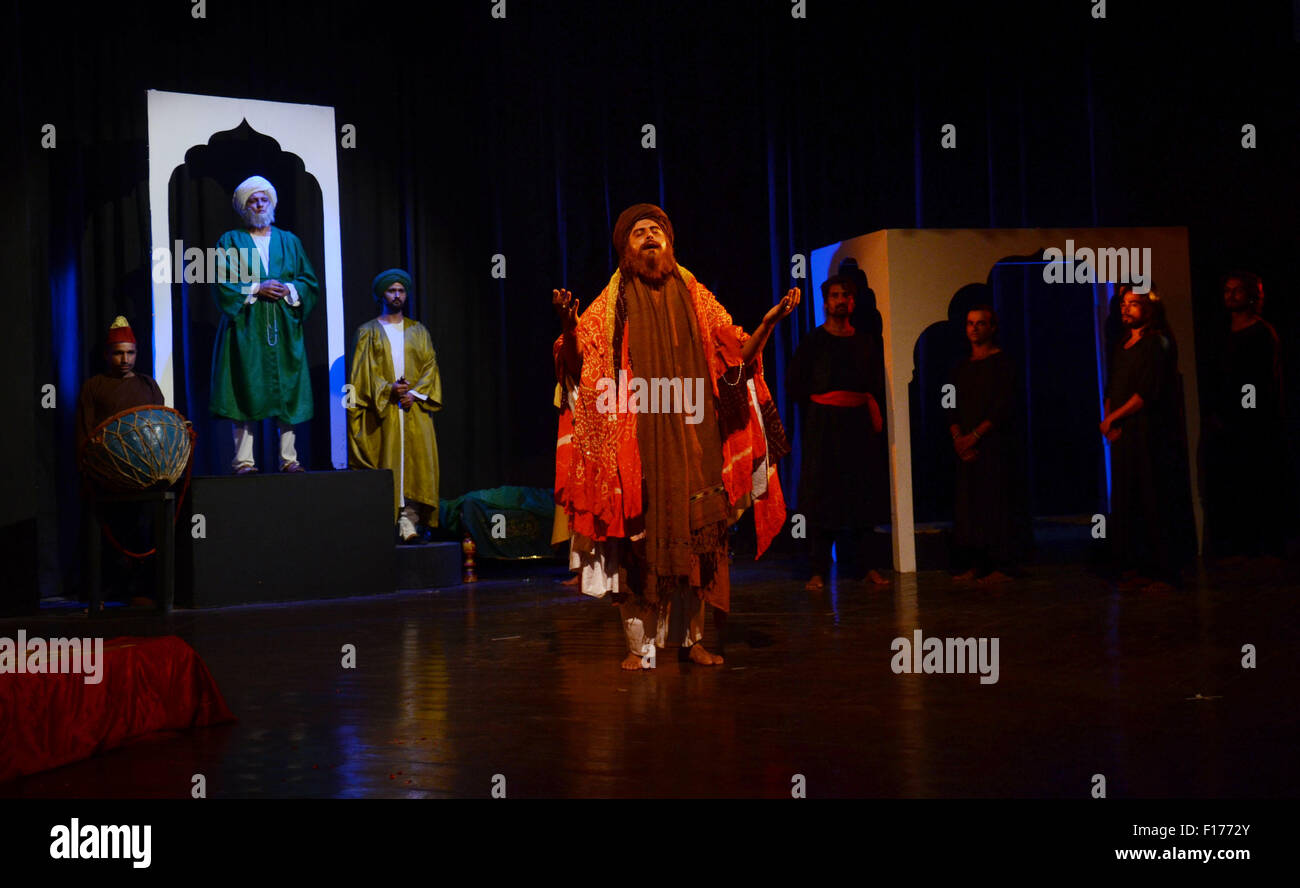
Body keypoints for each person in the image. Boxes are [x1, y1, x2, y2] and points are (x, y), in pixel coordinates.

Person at [553, 203, 795, 670]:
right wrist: (567, 323)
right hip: (636, 439)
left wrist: (768, 324)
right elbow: (579, 365)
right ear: (625, 247)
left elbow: (734, 353)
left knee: (700, 538)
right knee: (637, 541)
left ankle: (695, 640)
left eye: (656, 230)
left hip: (694, 438)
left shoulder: (695, 293)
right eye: (639, 232)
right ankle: (639, 646)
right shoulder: (611, 301)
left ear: (669, 242)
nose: (649, 236)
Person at [210, 175, 319, 474]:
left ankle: (289, 459)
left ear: (271, 203)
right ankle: (244, 461)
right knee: (245, 389)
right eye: (253, 200)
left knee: (287, 390)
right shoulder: (230, 241)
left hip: (283, 328)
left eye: (263, 199)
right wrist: (257, 287)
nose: (259, 204)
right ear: (244, 207)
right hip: (247, 328)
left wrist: (289, 289)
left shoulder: (289, 240)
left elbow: (308, 280)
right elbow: (221, 281)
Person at [788, 274, 889, 590]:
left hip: (857, 425)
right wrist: (820, 412)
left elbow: (874, 384)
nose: (840, 300)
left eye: (846, 295)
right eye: (834, 295)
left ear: (853, 301)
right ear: (826, 301)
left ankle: (868, 567)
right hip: (824, 425)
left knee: (862, 494)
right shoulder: (814, 341)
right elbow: (796, 384)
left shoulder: (864, 342)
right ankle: (817, 570)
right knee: (822, 496)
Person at [1099, 285, 1196, 591]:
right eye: (1124, 303)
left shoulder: (1157, 344)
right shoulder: (1122, 345)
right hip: (1125, 435)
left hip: (1150, 434)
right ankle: (1137, 564)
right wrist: (1109, 418)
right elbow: (1114, 388)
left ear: (1150, 309)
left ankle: (1163, 571)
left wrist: (1114, 418)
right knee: (1131, 500)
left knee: (1154, 498)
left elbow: (1145, 393)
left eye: (1135, 304)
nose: (1127, 308)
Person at [347, 269, 443, 542]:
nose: (397, 295)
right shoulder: (367, 331)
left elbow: (430, 366)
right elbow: (359, 374)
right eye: (392, 291)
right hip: (384, 409)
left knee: (416, 464)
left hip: (414, 409)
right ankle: (385, 523)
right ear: (382, 294)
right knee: (389, 461)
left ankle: (410, 521)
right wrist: (388, 389)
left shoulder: (418, 330)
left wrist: (416, 394)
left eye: (401, 291)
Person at [76, 316, 165, 607]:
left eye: (130, 353)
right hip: (106, 475)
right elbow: (85, 431)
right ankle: (100, 594)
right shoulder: (94, 386)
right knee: (105, 534)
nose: (124, 359)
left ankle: (140, 591)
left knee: (142, 531)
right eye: (118, 352)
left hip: (143, 476)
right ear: (107, 355)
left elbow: (159, 427)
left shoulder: (148, 385)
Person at [1202, 271, 1286, 560]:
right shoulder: (1221, 331)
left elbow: (1259, 380)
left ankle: (1260, 543)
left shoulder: (1261, 332)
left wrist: (1243, 415)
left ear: (1251, 295)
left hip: (1251, 421)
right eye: (1227, 290)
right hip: (1224, 419)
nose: (1230, 295)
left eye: (1237, 291)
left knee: (1255, 479)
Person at [945, 305, 1031, 583]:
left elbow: (1003, 405)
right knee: (971, 507)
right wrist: (959, 438)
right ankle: (976, 564)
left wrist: (976, 436)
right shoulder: (959, 367)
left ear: (992, 328)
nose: (974, 328)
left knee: (997, 504)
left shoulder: (1004, 363)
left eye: (980, 323)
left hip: (995, 447)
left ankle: (1002, 566)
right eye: (970, 323)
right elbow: (949, 403)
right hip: (966, 449)